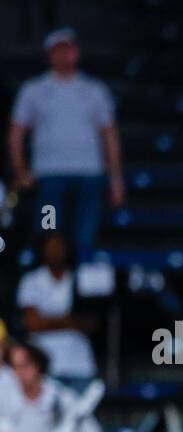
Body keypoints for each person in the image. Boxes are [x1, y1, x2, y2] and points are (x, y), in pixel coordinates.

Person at [8, 28, 125, 262]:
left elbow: (109, 135)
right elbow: (16, 133)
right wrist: (20, 170)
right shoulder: (34, 90)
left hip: (90, 175)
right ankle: (46, 287)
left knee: (85, 237)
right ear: (49, 53)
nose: (65, 54)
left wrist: (115, 178)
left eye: (69, 49)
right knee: (48, 232)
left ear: (77, 52)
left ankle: (81, 291)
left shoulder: (94, 90)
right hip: (49, 175)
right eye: (59, 49)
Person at [16, 231, 98, 382]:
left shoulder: (82, 278)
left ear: (67, 249)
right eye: (51, 247)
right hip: (44, 365)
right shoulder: (31, 280)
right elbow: (32, 323)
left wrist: (47, 320)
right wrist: (70, 322)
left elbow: (92, 323)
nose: (55, 252)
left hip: (80, 365)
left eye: (59, 247)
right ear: (43, 250)